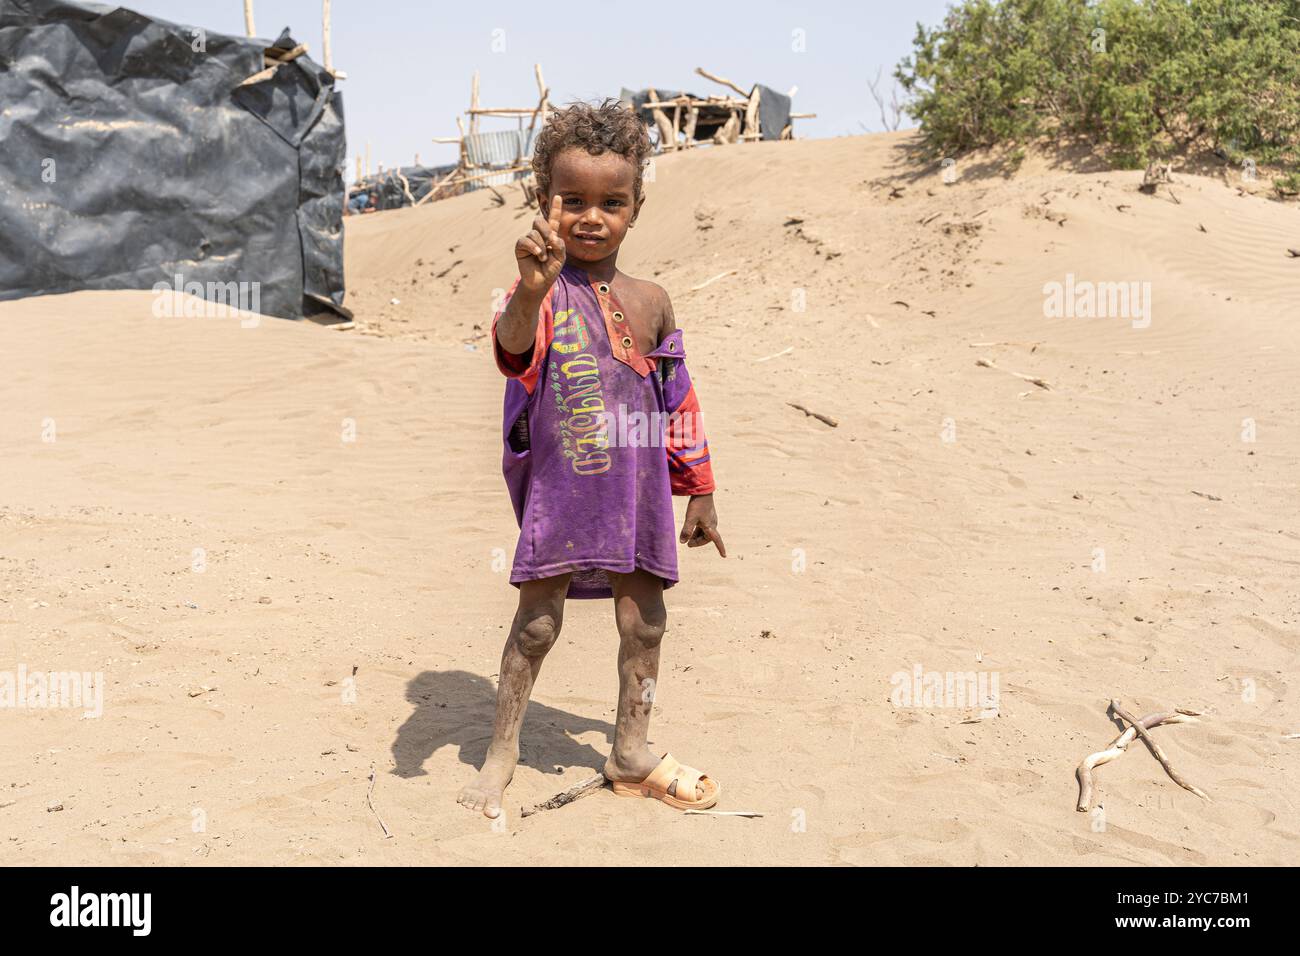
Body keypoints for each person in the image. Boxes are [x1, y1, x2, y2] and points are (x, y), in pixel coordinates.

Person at [457, 100, 725, 819]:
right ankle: (502, 750)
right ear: (543, 197)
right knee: (538, 624)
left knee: (646, 624)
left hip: (637, 495)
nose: (591, 217)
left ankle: (630, 748)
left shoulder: (653, 300)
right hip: (565, 488)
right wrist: (532, 288)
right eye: (572, 200)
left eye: (612, 202)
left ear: (636, 207)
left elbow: (679, 398)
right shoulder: (537, 291)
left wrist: (698, 488)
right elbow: (512, 351)